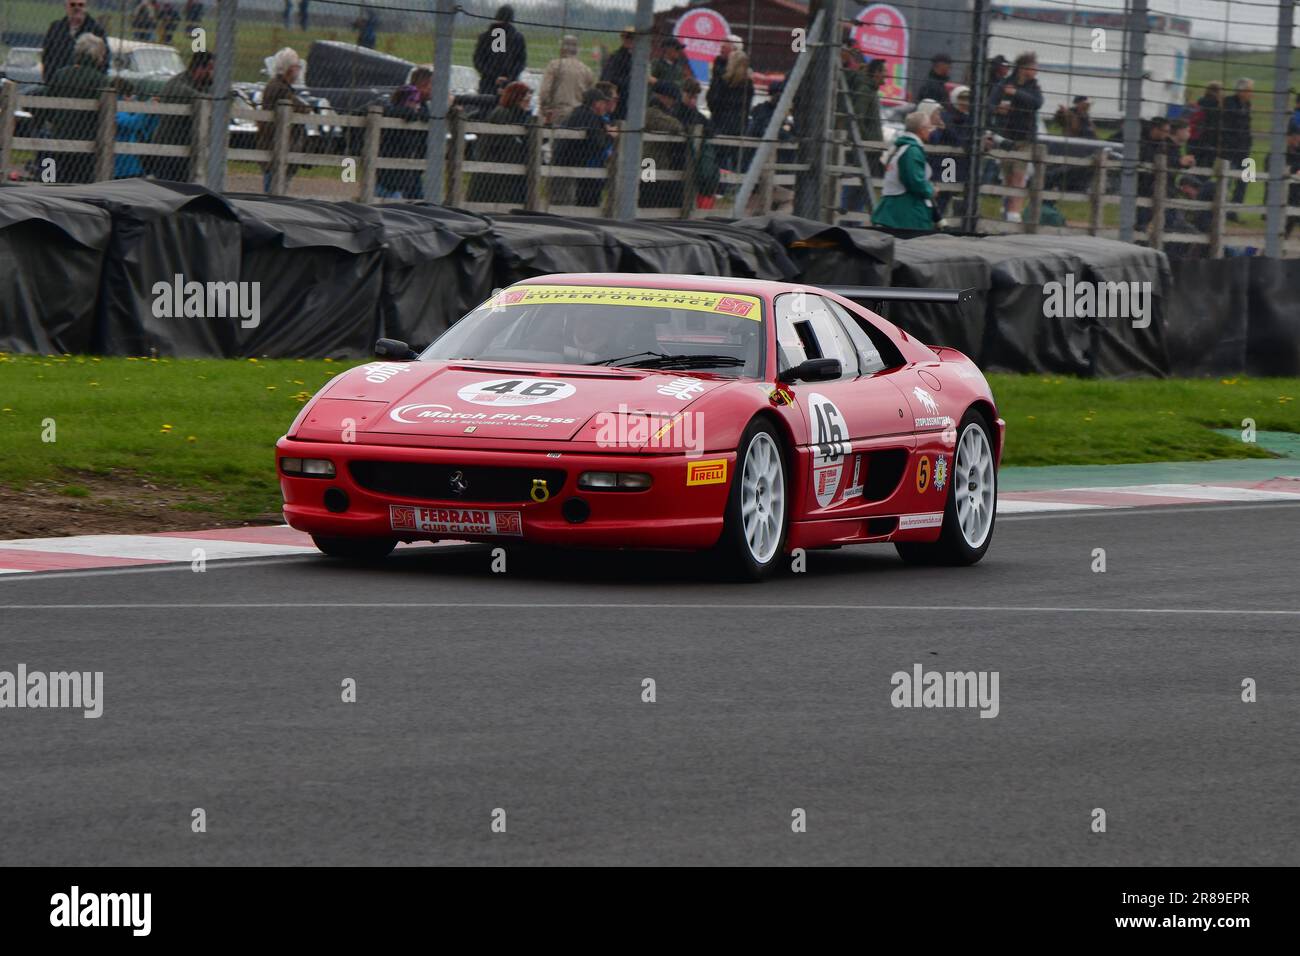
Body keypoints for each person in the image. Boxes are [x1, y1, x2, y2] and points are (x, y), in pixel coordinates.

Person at [44, 32, 108, 184]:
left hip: (58, 139)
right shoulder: (100, 80)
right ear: (97, 55)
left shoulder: (61, 74)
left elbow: (48, 107)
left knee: (54, 180)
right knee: (81, 185)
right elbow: (103, 117)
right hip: (87, 144)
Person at [993, 52, 1042, 223]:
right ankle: (1006, 208)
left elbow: (1036, 103)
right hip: (1006, 137)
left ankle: (1015, 212)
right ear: (1023, 68)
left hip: (1025, 138)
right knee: (1007, 174)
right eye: (1033, 67)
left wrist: (1016, 94)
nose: (1036, 71)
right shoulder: (1004, 84)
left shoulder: (1033, 87)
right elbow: (992, 103)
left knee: (1019, 175)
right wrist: (998, 109)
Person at [150, 50, 214, 181]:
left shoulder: (200, 85)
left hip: (186, 152)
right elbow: (201, 100)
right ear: (200, 69)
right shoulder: (178, 85)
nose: (214, 74)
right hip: (169, 152)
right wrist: (220, 100)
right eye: (211, 69)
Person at [256, 47, 311, 193]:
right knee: (274, 192)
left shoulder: (279, 86)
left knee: (277, 188)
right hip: (275, 147)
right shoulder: (279, 88)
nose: (298, 71)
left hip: (275, 147)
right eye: (296, 67)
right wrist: (306, 108)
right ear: (289, 68)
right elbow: (299, 107)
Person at [468, 81, 531, 206]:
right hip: (497, 175)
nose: (528, 102)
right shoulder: (503, 114)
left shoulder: (517, 116)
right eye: (525, 98)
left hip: (505, 175)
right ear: (517, 98)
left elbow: (525, 141)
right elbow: (511, 144)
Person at [872, 111, 937, 232]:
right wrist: (930, 190)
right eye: (929, 127)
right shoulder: (912, 151)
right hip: (905, 213)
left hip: (893, 209)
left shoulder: (900, 147)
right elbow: (914, 182)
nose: (931, 131)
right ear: (921, 130)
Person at [553, 86, 615, 207]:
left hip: (572, 163)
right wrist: (610, 136)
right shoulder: (588, 116)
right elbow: (597, 142)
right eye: (602, 103)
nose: (605, 106)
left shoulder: (582, 113)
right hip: (575, 165)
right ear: (595, 103)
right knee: (578, 202)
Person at [376, 67, 433, 200]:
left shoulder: (424, 107)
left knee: (419, 201)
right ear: (423, 85)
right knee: (391, 196)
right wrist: (411, 113)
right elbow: (393, 109)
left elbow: (426, 116)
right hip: (391, 166)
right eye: (431, 84)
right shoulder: (405, 95)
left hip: (412, 169)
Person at [706, 47, 752, 175]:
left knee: (718, 161)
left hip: (720, 125)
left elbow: (712, 102)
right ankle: (735, 190)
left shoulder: (723, 82)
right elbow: (746, 108)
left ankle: (718, 188)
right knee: (737, 162)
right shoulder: (748, 85)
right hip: (739, 127)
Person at [674, 77, 719, 207]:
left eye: (695, 97)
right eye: (690, 96)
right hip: (679, 157)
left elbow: (711, 129)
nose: (693, 100)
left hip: (693, 158)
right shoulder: (677, 111)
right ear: (683, 93)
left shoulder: (696, 114)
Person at [641, 81, 686, 209]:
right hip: (649, 160)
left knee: (654, 194)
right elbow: (673, 126)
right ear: (664, 97)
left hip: (656, 160)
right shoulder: (652, 112)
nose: (673, 103)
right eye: (671, 99)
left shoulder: (662, 113)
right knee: (648, 194)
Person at [931, 85, 973, 218]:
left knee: (952, 194)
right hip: (948, 161)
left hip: (961, 163)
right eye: (962, 98)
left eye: (968, 99)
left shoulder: (971, 118)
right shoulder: (947, 115)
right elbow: (956, 138)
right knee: (943, 193)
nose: (965, 102)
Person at [42, 0, 107, 81]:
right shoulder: (56, 28)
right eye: (72, 5)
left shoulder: (96, 30)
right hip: (57, 80)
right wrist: (49, 79)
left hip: (86, 82)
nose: (77, 8)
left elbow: (105, 58)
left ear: (86, 7)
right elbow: (46, 56)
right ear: (66, 7)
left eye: (81, 5)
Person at [539, 34, 593, 126]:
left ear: (562, 48)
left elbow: (545, 91)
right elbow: (590, 95)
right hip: (578, 116)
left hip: (558, 112)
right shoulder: (586, 70)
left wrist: (545, 109)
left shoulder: (555, 65)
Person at [473, 5, 527, 96]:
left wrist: (493, 76)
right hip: (511, 84)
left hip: (488, 83)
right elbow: (521, 62)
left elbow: (478, 60)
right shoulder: (518, 38)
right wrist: (509, 77)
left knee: (486, 106)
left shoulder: (486, 36)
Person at [112, 79, 159, 179]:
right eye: (131, 95)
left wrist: (153, 113)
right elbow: (134, 124)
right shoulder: (115, 111)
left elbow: (147, 130)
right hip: (121, 169)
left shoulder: (131, 111)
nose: (135, 98)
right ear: (123, 96)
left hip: (135, 167)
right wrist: (146, 107)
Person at [1222, 78, 1253, 212]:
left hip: (1244, 149)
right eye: (1248, 91)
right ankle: (1222, 207)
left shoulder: (1247, 105)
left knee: (1245, 179)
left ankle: (1235, 210)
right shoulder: (1229, 102)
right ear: (1241, 91)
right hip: (1230, 148)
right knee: (1227, 180)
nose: (1250, 94)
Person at [600, 27, 634, 121]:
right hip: (618, 102)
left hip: (631, 101)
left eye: (632, 37)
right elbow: (607, 79)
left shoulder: (638, 59)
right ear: (623, 38)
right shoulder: (616, 57)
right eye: (627, 37)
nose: (630, 40)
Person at [1190, 81, 1224, 170]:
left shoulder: (1199, 102)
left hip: (1194, 140)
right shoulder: (1217, 105)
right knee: (1206, 168)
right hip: (1209, 141)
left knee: (1194, 167)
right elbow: (1216, 125)